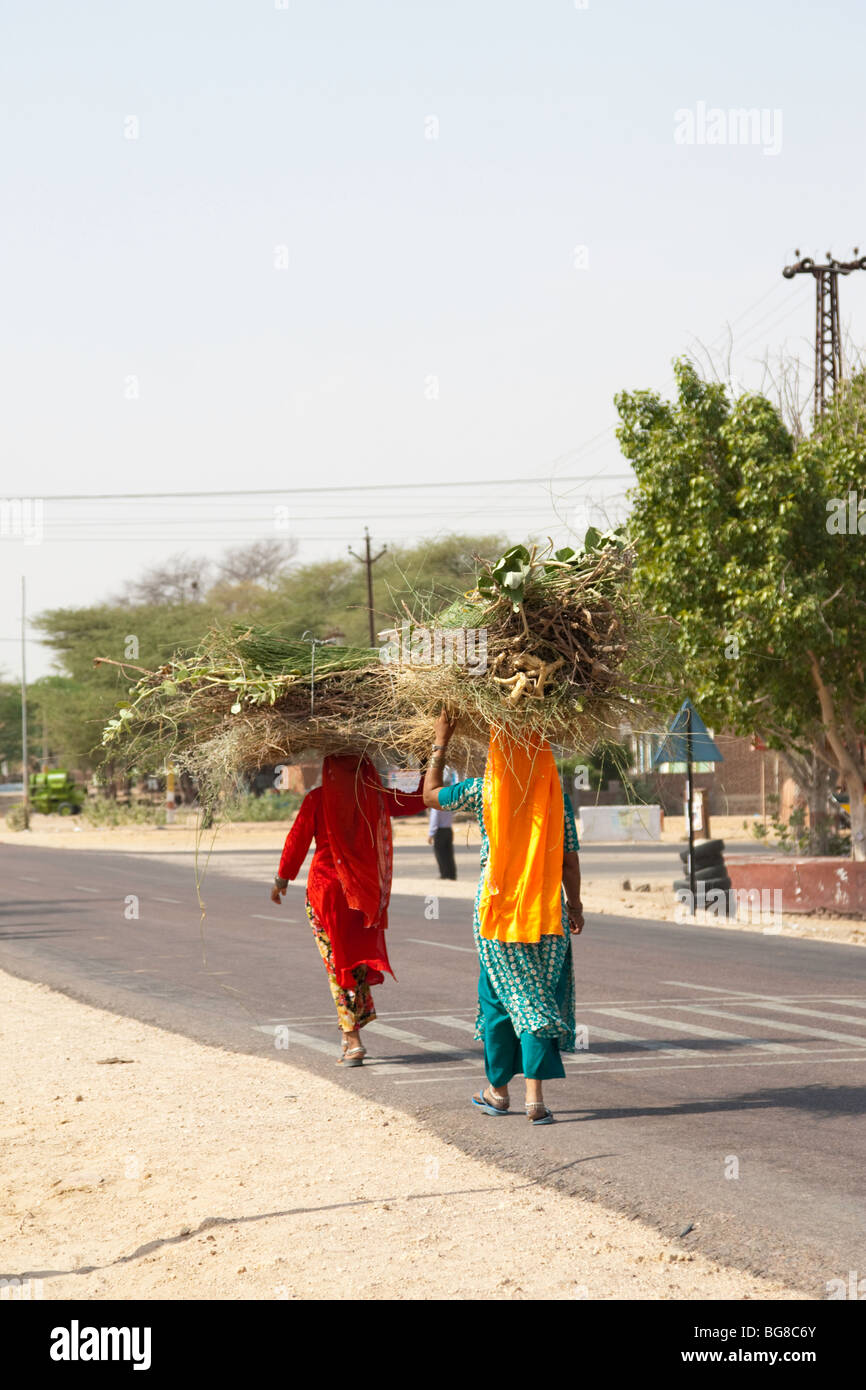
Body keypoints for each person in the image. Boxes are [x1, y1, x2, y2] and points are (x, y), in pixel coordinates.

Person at [423, 712, 584, 1124]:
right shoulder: (557, 797)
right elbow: (569, 863)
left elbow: (429, 795)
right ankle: (506, 1092)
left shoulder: (482, 791)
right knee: (524, 995)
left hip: (496, 915)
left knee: (507, 1000)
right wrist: (576, 906)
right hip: (548, 915)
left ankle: (524, 1096)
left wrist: (442, 737)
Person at [271, 754, 424, 1065]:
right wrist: (426, 765)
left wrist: (282, 878)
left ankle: (352, 1040)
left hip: (325, 894)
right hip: (363, 895)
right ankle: (348, 1035)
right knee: (353, 962)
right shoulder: (376, 797)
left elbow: (296, 840)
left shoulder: (318, 798)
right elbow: (416, 802)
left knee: (338, 964)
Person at [428, 764, 457, 879]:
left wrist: (431, 834)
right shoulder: (448, 801)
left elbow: (434, 818)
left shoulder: (437, 802)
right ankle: (452, 874)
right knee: (449, 853)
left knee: (440, 854)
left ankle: (444, 874)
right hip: (448, 829)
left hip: (440, 831)